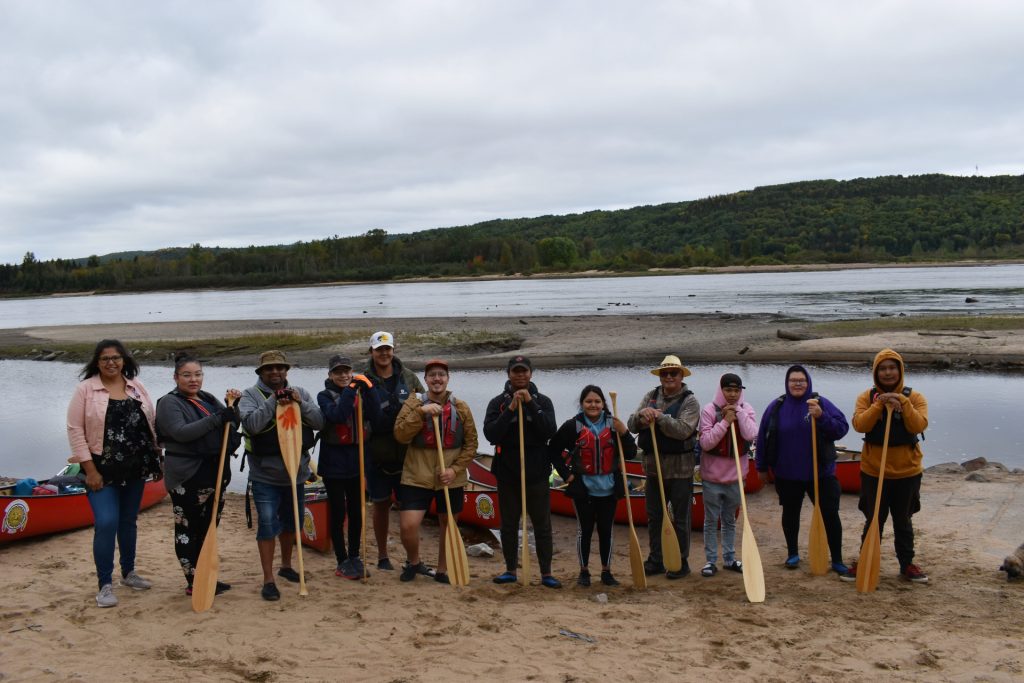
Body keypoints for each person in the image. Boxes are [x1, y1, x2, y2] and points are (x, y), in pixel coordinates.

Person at [67, 340, 162, 608]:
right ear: (96, 362)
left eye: (116, 358)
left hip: (135, 467)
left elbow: (149, 424)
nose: (111, 363)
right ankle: (104, 585)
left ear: (124, 360)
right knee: (107, 522)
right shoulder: (86, 389)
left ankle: (129, 573)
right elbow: (75, 430)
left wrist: (156, 460)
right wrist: (90, 471)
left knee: (128, 521)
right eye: (105, 358)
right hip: (101, 470)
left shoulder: (136, 386)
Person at [239, 350, 324, 601]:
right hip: (265, 476)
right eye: (269, 368)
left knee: (292, 524)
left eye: (280, 368)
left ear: (287, 370)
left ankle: (286, 566)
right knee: (267, 526)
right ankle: (268, 580)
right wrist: (273, 400)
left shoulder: (301, 392)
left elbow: (320, 422)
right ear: (261, 372)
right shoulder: (250, 396)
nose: (275, 372)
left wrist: (300, 402)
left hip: (296, 474)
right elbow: (252, 425)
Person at [155, 354, 242, 597]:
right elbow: (181, 433)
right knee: (187, 528)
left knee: (208, 528)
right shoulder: (169, 403)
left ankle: (207, 576)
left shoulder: (207, 398)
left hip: (214, 473)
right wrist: (218, 418)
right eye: (187, 375)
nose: (193, 380)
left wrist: (233, 406)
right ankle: (193, 580)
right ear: (176, 377)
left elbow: (230, 422)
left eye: (197, 374)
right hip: (187, 476)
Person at [843, 348, 930, 584]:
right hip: (873, 470)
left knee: (903, 520)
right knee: (873, 519)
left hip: (907, 472)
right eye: (883, 368)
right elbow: (860, 425)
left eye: (892, 368)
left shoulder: (915, 397)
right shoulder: (865, 397)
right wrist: (879, 405)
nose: (888, 372)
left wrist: (902, 402)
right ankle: (866, 561)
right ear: (876, 372)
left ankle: (907, 564)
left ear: (899, 371)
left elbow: (918, 425)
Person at [754, 365, 849, 574]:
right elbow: (762, 438)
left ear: (808, 383)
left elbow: (842, 429)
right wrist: (760, 467)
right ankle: (793, 554)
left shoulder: (820, 403)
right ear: (787, 384)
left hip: (821, 474)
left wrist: (822, 416)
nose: (797, 384)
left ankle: (837, 559)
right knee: (790, 514)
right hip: (787, 475)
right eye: (793, 380)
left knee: (830, 515)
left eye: (801, 380)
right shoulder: (776, 407)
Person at [392, 359, 478, 583]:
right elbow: (400, 435)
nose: (437, 379)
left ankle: (442, 569)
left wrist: (455, 469)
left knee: (448, 526)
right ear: (426, 379)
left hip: (450, 477)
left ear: (447, 379)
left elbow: (471, 444)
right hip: (416, 474)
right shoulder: (413, 403)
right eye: (432, 375)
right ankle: (414, 562)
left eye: (441, 375)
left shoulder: (461, 407)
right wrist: (420, 413)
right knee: (408, 526)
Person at [482, 355, 562, 588]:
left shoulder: (543, 401)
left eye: (524, 371)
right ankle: (510, 570)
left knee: (542, 524)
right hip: (507, 471)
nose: (520, 375)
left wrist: (530, 404)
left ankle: (546, 573)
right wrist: (510, 409)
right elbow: (491, 434)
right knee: (508, 524)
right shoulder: (497, 402)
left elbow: (549, 431)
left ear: (530, 373)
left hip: (536, 470)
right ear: (508, 374)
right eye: (515, 371)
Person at [548, 385, 634, 587]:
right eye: (589, 401)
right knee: (584, 531)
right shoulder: (573, 426)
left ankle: (606, 571)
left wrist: (624, 432)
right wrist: (567, 475)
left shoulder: (614, 425)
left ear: (603, 403)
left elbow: (630, 453)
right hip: (583, 489)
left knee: (606, 531)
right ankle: (584, 571)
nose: (593, 405)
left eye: (597, 401)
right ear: (582, 404)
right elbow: (553, 450)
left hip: (609, 488)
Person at [627, 355, 701, 578]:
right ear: (660, 376)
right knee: (655, 517)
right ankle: (657, 559)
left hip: (680, 470)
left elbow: (682, 430)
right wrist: (642, 415)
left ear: (681, 376)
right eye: (665, 373)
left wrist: (658, 417)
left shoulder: (690, 401)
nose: (669, 377)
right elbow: (631, 424)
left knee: (680, 518)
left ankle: (680, 561)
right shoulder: (650, 396)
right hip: (653, 469)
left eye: (673, 373)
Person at [361, 332, 425, 571]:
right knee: (380, 504)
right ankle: (383, 556)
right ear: (372, 352)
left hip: (408, 454)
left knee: (409, 507)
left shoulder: (408, 378)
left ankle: (413, 559)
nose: (384, 353)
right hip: (376, 453)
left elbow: (423, 403)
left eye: (388, 349)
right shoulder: (363, 379)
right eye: (379, 349)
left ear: (393, 350)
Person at [316, 355, 380, 580]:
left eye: (347, 371)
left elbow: (377, 416)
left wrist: (370, 389)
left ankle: (355, 556)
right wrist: (351, 389)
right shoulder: (324, 396)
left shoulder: (360, 392)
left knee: (356, 512)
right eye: (338, 372)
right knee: (338, 513)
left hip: (357, 461)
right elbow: (338, 415)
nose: (343, 375)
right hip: (333, 464)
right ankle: (342, 560)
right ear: (330, 375)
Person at [697, 373, 758, 577]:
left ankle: (730, 558)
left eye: (736, 390)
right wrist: (724, 422)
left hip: (736, 477)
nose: (732, 394)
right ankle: (710, 561)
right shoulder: (708, 410)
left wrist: (738, 413)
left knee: (730, 520)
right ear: (720, 390)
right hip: (712, 478)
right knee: (711, 520)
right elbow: (706, 443)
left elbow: (751, 434)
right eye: (728, 390)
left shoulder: (746, 409)